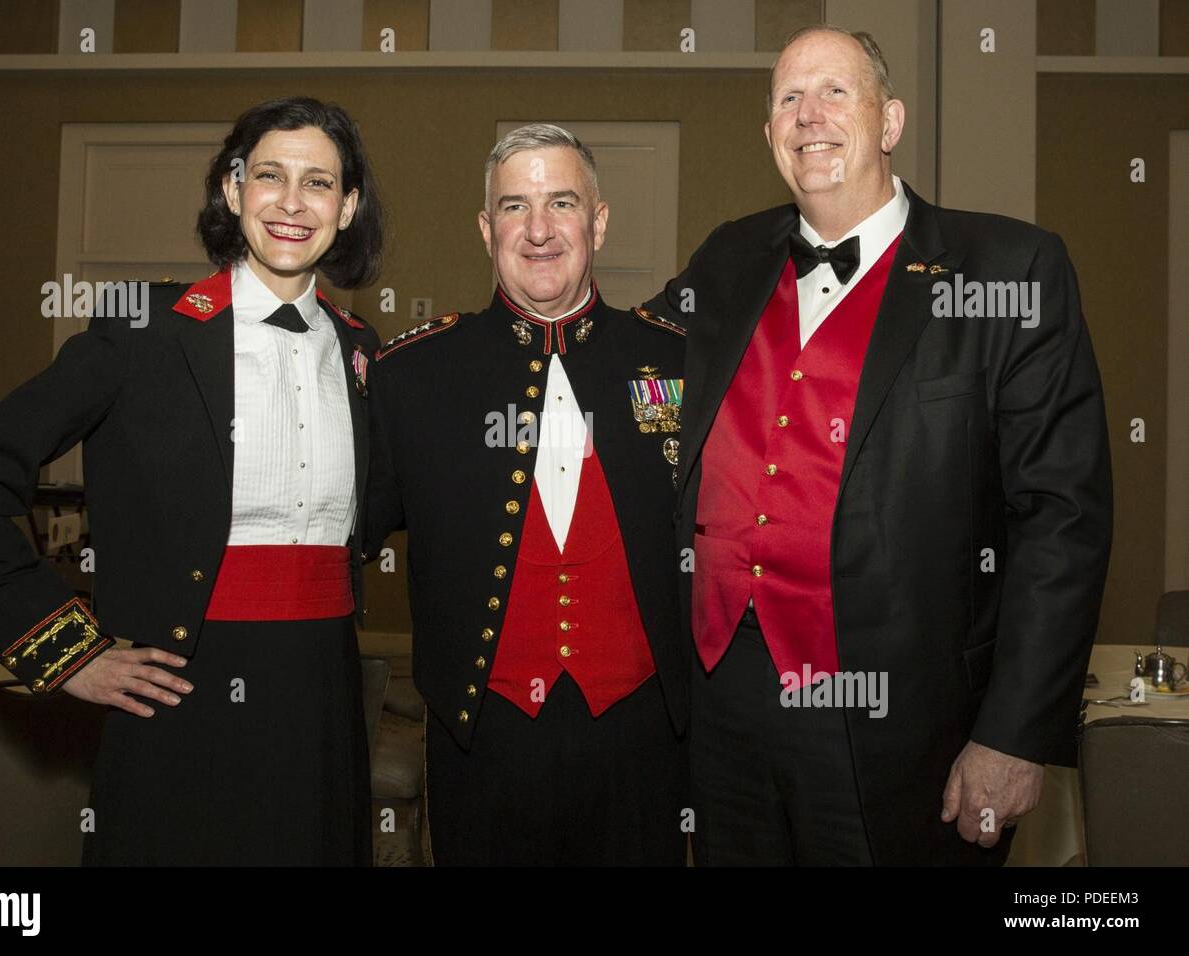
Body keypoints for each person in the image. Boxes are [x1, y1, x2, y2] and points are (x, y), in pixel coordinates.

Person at [644, 26, 1113, 865]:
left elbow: (1063, 519)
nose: (808, 115)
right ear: (768, 135)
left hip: (905, 720)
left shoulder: (1007, 268)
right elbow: (629, 372)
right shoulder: (728, 255)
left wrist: (1014, 735)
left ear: (890, 121)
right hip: (724, 700)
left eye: (835, 92)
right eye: (788, 97)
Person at [0, 96, 385, 866]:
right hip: (179, 692)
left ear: (347, 208)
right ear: (233, 191)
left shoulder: (365, 352)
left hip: (323, 696)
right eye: (269, 176)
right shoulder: (144, 330)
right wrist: (67, 651)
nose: (293, 203)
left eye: (319, 182)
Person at [366, 124, 688, 864]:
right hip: (486, 743)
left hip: (644, 744)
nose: (539, 229)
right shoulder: (415, 376)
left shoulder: (675, 359)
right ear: (487, 230)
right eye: (514, 207)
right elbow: (334, 532)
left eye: (562, 203)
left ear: (598, 222)